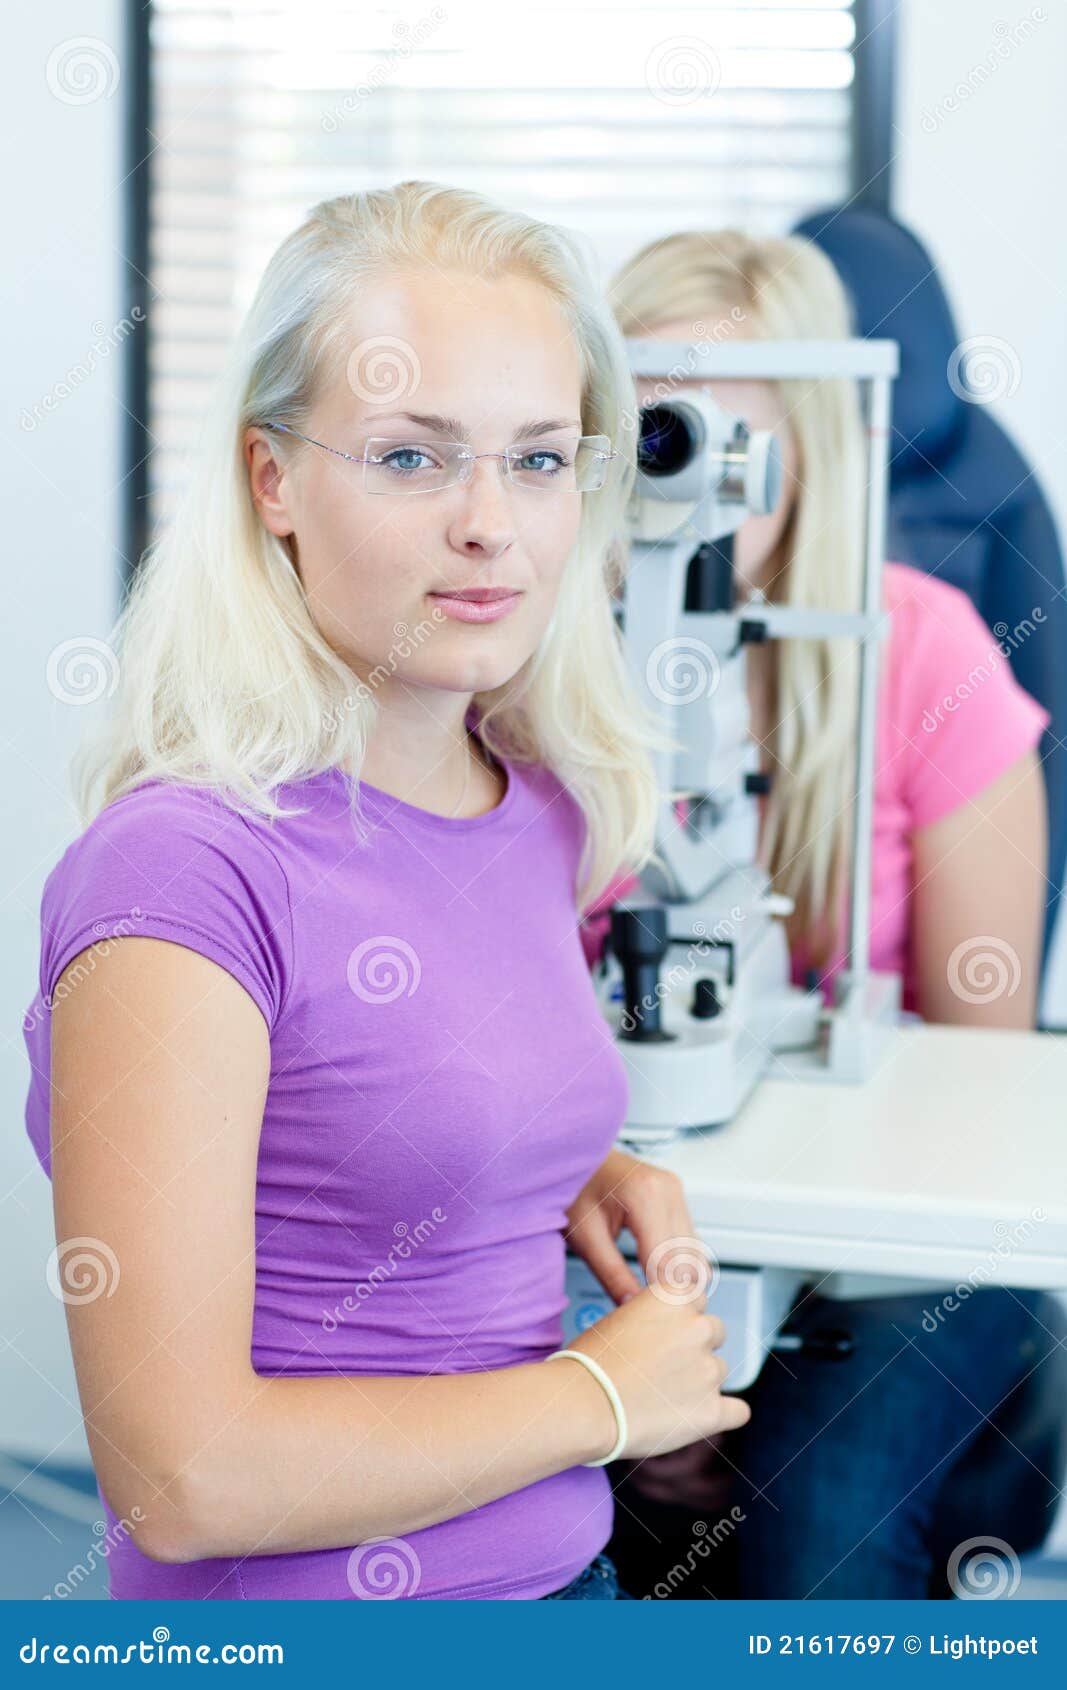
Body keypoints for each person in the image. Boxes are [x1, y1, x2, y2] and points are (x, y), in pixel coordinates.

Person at [21, 181, 750, 1602]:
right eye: (414, 458)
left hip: (561, 1593)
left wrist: (557, 1163)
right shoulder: (185, 872)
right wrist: (603, 1396)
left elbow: (360, 1103)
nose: (493, 524)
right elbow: (184, 1478)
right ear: (272, 478)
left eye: (540, 461)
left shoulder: (533, 802)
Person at [585, 227, 1063, 1599]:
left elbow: (983, 1092)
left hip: (879, 1264)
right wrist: (643, 1367)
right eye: (652, 434)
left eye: (733, 443)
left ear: (818, 454)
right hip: (606, 1223)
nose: (690, 488)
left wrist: (729, 1393)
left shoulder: (929, 659)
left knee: (811, 1528)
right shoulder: (522, 675)